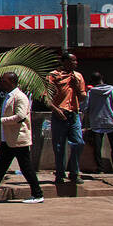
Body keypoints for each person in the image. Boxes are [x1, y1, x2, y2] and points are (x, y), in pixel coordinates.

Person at [0, 72, 44, 203]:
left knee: (26, 168)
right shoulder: (9, 96)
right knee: (0, 168)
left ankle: (38, 194)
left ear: (12, 82)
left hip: (18, 139)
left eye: (4, 81)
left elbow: (20, 117)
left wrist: (1, 120)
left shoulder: (20, 97)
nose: (2, 84)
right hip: (8, 139)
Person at [47, 52, 86, 185]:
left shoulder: (78, 76)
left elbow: (82, 97)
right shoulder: (53, 76)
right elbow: (45, 97)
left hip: (73, 114)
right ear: (64, 62)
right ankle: (60, 173)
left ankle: (74, 172)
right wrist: (56, 109)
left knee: (78, 143)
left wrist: (75, 86)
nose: (75, 63)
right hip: (60, 114)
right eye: (72, 61)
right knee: (59, 146)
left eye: (76, 61)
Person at [82, 72, 113, 177]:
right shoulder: (112, 90)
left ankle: (99, 168)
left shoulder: (91, 92)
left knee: (97, 147)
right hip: (111, 122)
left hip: (96, 123)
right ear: (102, 79)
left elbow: (85, 108)